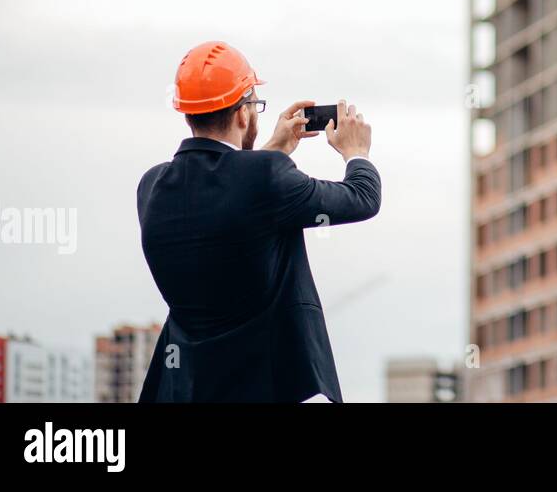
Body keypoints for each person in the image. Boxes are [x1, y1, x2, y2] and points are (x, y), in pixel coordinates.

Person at [136, 40, 381, 402]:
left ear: (187, 113)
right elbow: (363, 198)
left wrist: (274, 149)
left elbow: (226, 194)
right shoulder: (266, 178)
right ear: (242, 114)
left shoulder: (152, 187)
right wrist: (356, 152)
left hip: (186, 390)